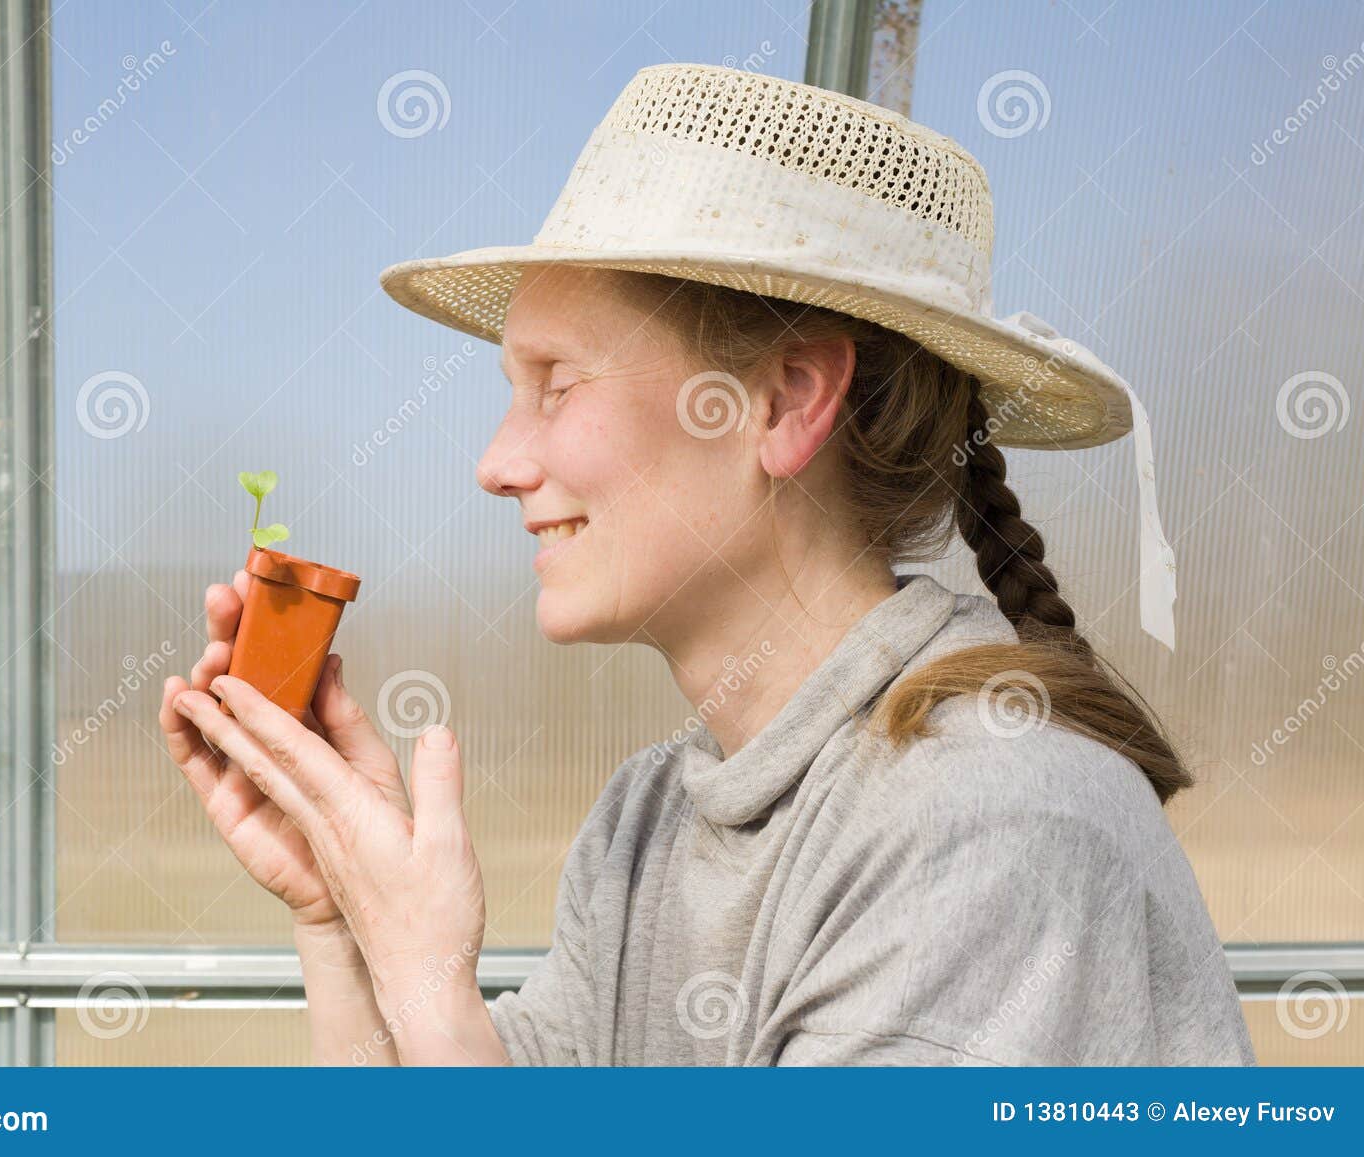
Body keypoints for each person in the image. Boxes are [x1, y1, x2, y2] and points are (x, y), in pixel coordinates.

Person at [159, 63, 1254, 1065]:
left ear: (780, 402)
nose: (496, 463)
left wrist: (423, 971)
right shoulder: (648, 822)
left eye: (557, 381)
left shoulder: (996, 829)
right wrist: (343, 917)